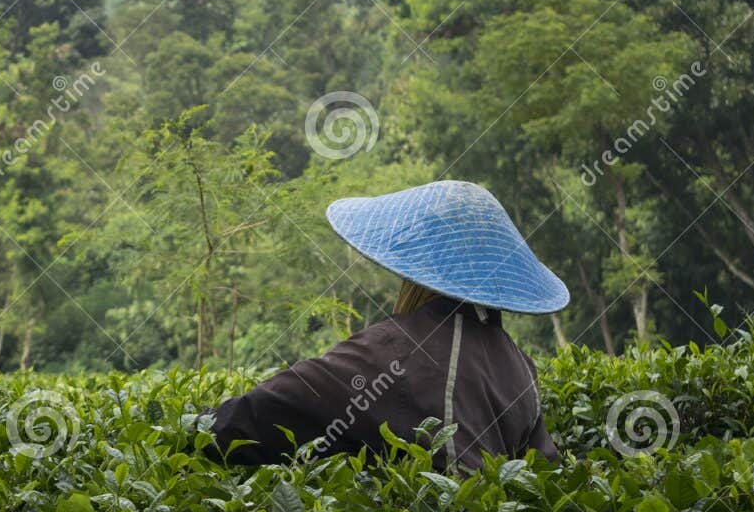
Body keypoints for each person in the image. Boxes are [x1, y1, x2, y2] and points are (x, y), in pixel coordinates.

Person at [205, 180, 565, 471]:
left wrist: (184, 431)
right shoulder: (518, 364)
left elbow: (266, 411)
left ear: (418, 273)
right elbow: (542, 470)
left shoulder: (397, 349)